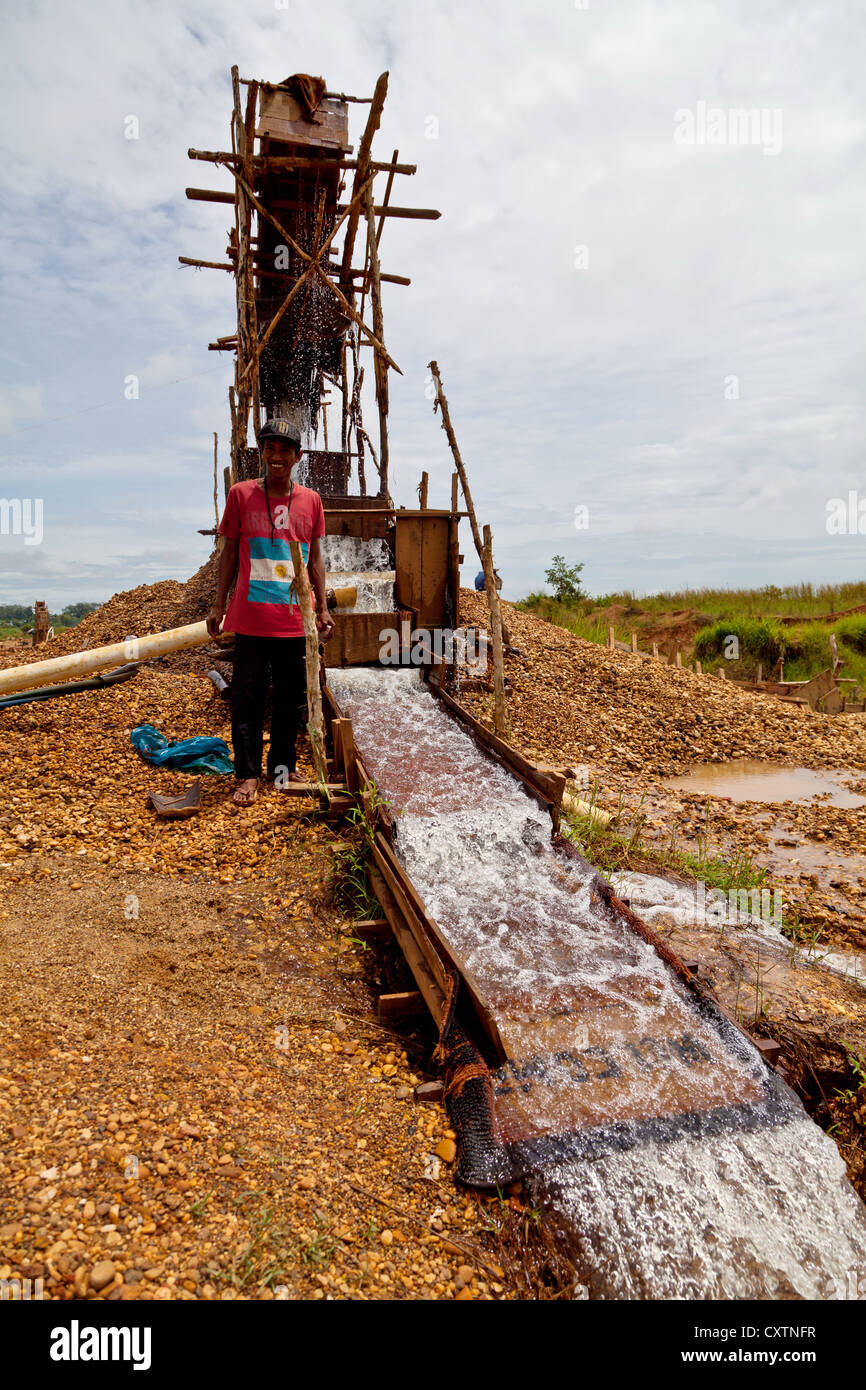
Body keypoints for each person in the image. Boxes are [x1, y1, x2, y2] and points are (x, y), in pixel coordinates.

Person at [207, 419, 333, 805]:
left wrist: (323, 607)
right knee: (247, 696)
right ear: (261, 452)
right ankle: (246, 774)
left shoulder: (311, 500)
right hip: (250, 617)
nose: (276, 456)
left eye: (285, 450)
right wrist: (218, 604)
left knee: (289, 695)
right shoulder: (241, 495)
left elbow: (315, 560)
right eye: (269, 448)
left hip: (295, 619)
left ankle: (281, 767)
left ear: (298, 456)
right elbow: (229, 552)